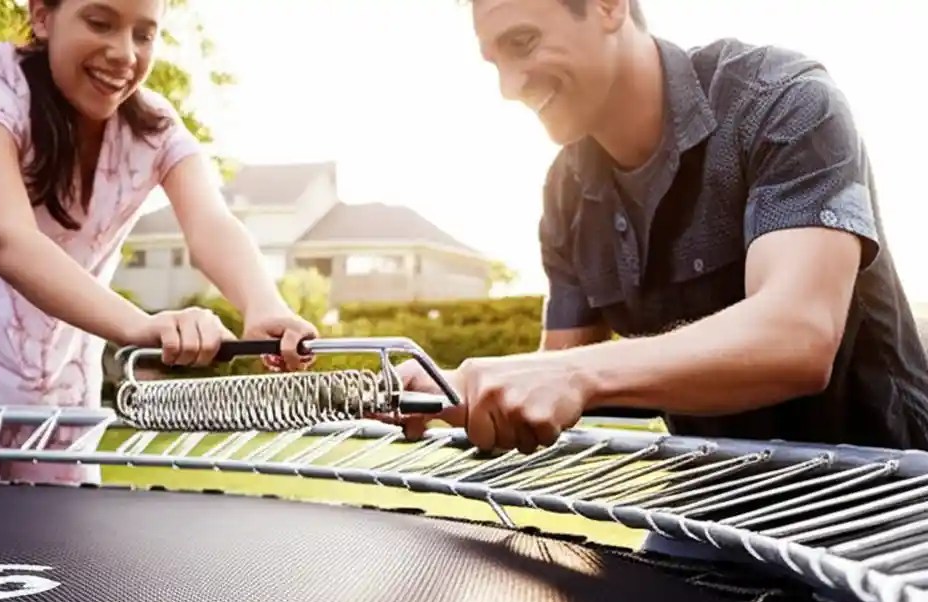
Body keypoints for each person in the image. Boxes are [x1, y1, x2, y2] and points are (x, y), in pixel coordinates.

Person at [395, 0, 928, 456]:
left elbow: (798, 336)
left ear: (608, 6)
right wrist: (453, 387)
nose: (509, 87)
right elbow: (556, 368)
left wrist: (576, 375)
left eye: (523, 42)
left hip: (885, 497)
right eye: (495, 62)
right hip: (711, 503)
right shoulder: (566, 192)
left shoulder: (783, 102)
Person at [0, 0, 317, 485]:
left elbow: (211, 223)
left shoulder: (155, 130)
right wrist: (139, 327)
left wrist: (262, 303)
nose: (124, 53)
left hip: (65, 396)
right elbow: (9, 240)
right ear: (42, 16)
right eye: (100, 23)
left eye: (144, 35)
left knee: (66, 560)